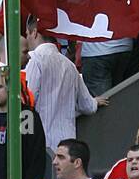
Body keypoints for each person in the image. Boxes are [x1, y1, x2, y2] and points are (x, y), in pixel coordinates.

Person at [25, 14, 104, 151]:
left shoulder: (34, 60)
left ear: (35, 32)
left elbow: (27, 101)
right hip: (68, 144)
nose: (26, 39)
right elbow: (88, 106)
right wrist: (95, 102)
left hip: (40, 142)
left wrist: (24, 133)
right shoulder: (69, 65)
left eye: (27, 34)